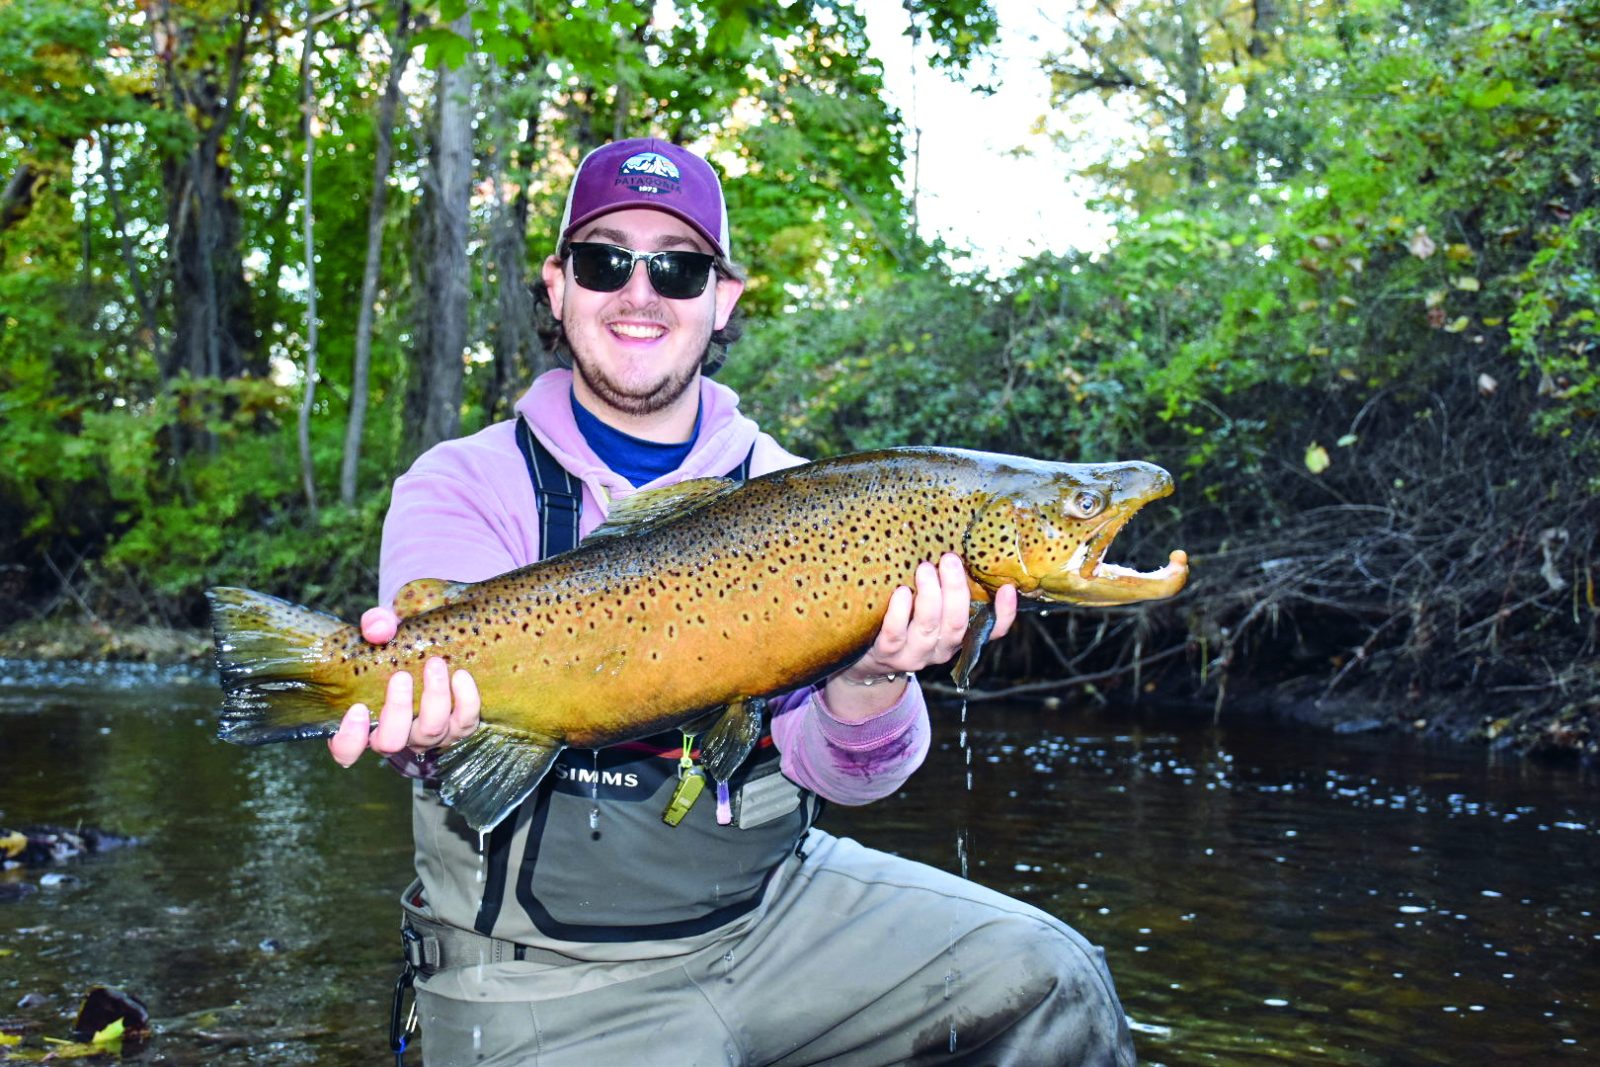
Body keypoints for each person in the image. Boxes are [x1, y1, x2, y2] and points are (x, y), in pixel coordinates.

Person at [327, 137, 1136, 1066]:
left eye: (677, 267)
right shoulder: (461, 484)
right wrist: (429, 731)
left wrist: (869, 671)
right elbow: (445, 741)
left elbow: (849, 777)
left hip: (773, 921)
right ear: (557, 287)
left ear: (724, 299)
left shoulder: (800, 494)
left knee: (1052, 977)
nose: (641, 291)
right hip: (541, 972)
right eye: (605, 262)